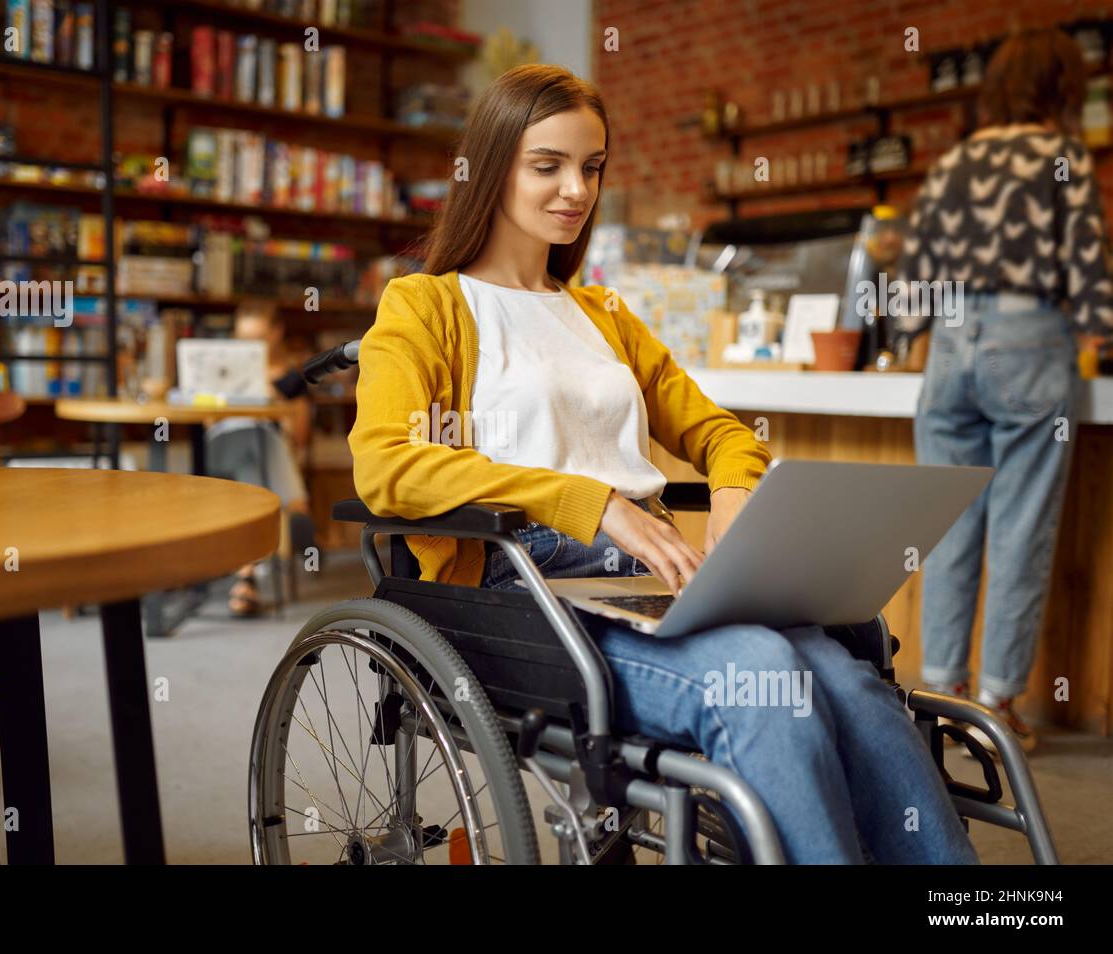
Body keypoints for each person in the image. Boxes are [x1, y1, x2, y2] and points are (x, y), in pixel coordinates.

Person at [348, 64, 978, 863]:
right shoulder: (426, 307)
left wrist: (734, 490)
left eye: (592, 166)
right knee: (761, 683)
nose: (576, 189)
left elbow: (724, 432)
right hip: (522, 591)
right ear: (491, 166)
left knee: (846, 678)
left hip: (651, 572)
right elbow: (388, 467)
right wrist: (588, 499)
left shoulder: (604, 315)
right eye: (548, 165)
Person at [900, 27, 1113, 754]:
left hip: (951, 344)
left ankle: (939, 694)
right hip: (1029, 341)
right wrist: (1104, 337)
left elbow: (914, 272)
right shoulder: (1059, 156)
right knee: (1021, 525)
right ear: (1061, 89)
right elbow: (1087, 260)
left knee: (949, 520)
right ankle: (995, 707)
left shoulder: (957, 158)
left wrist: (905, 334)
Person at [209, 299, 312, 616]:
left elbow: (299, 438)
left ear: (276, 333)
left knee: (259, 447)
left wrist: (277, 407)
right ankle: (293, 499)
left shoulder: (290, 381)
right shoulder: (220, 373)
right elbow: (207, 424)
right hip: (223, 452)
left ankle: (246, 576)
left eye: (257, 338)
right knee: (250, 441)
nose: (249, 346)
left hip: (266, 455)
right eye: (243, 339)